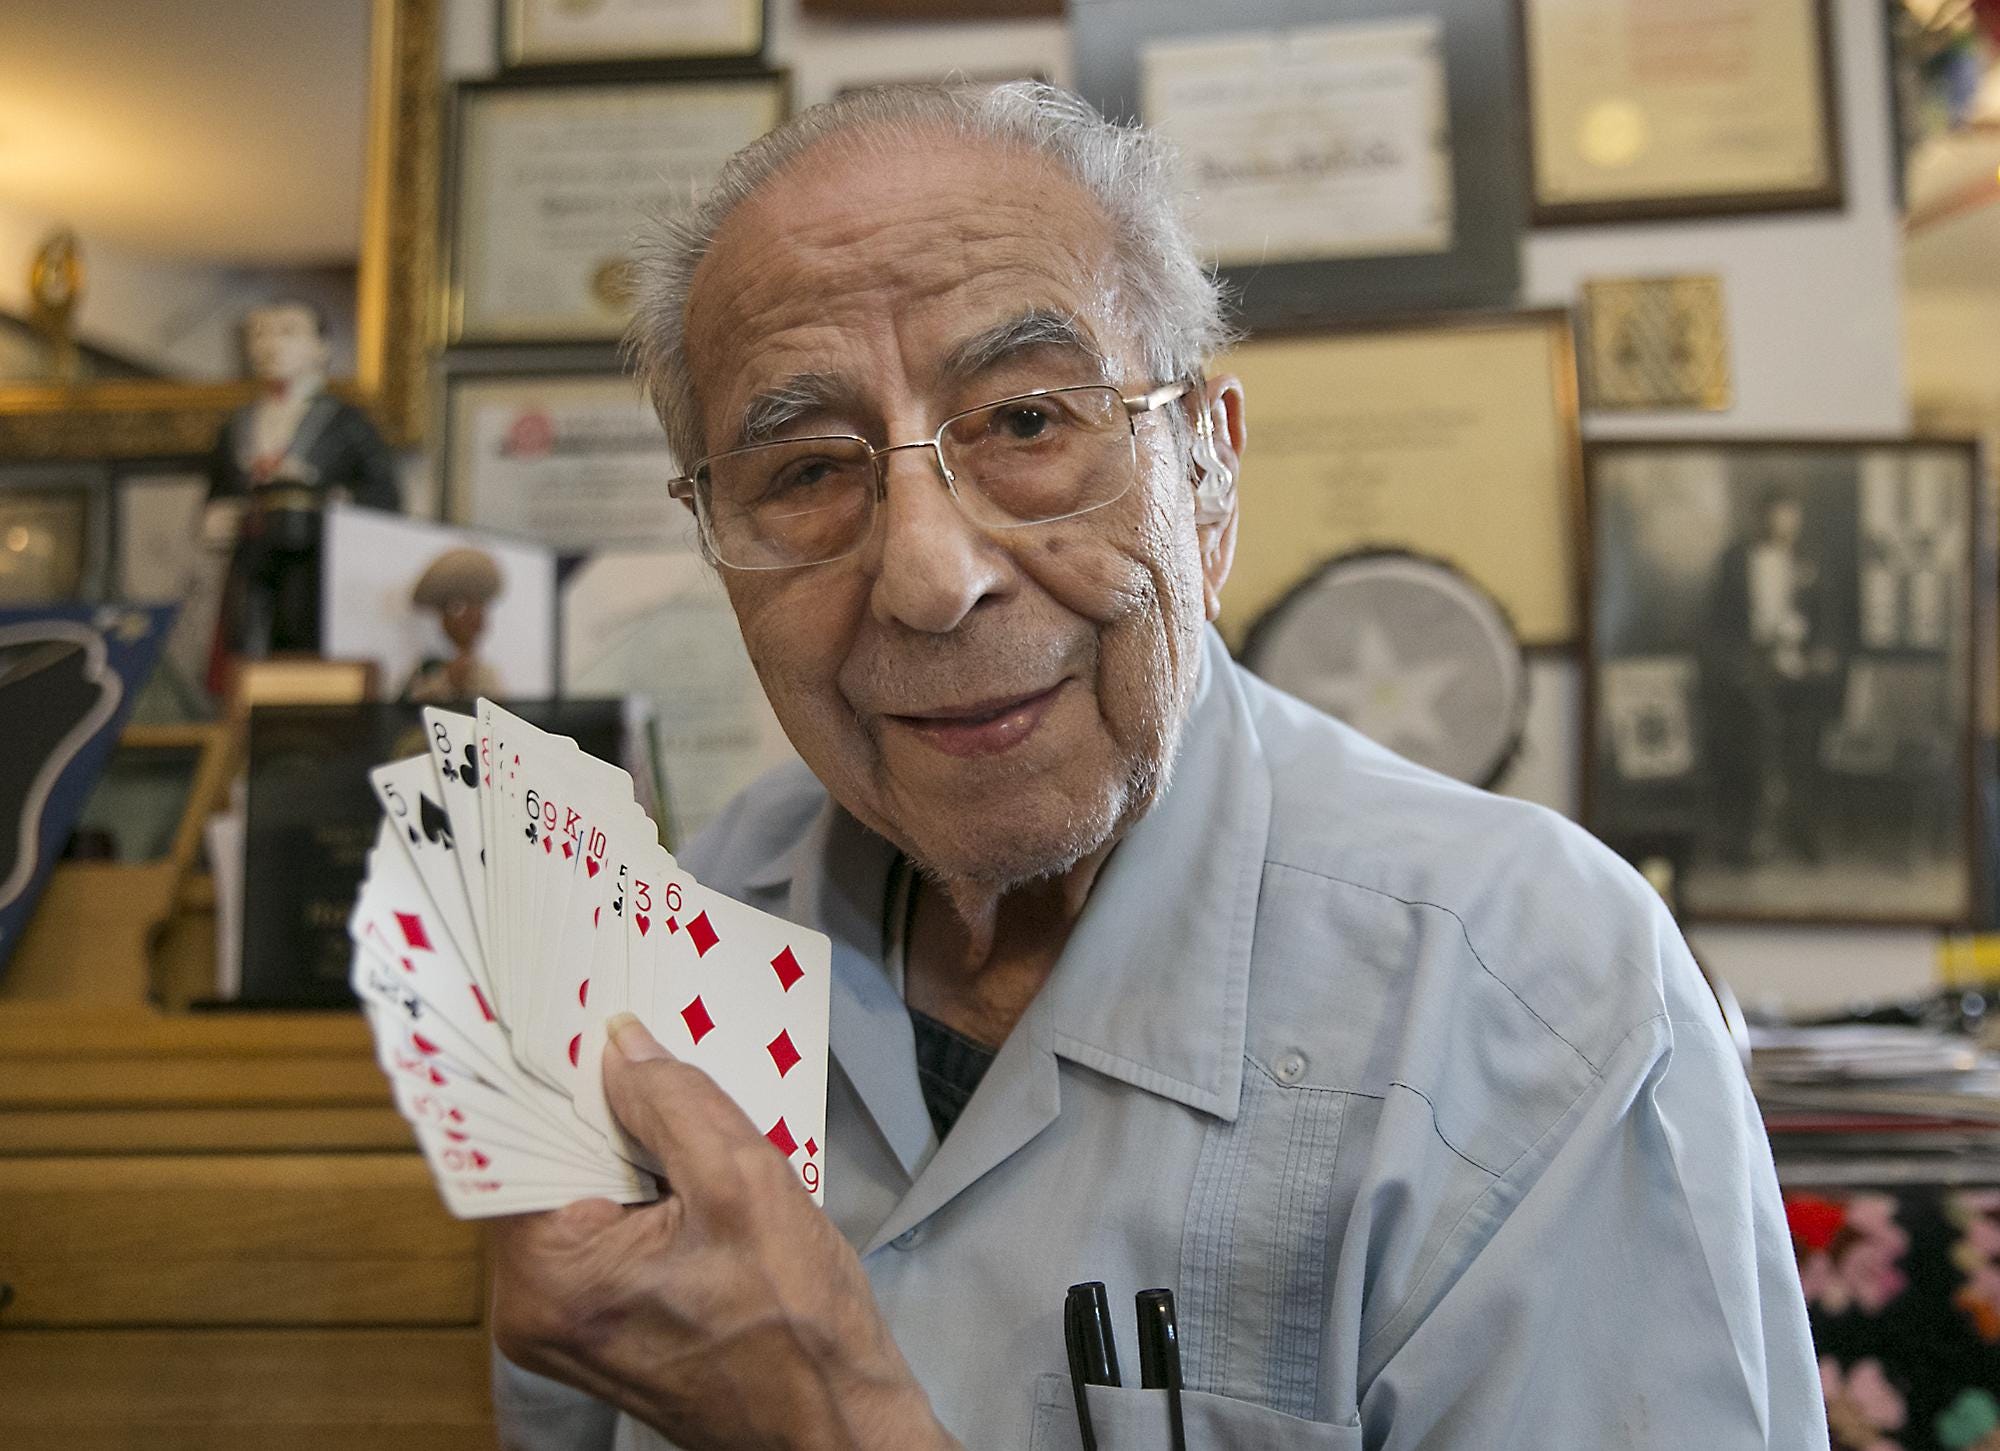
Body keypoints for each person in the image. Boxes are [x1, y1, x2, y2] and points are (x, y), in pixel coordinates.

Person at [489, 83, 1827, 1450]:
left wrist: (833, 1426)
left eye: (1024, 421)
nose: (929, 577)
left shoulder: (1528, 991)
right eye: (807, 469)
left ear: (1210, 472)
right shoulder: (679, 936)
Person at [204, 298, 399, 677]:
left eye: (289, 332)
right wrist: (217, 518)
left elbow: (384, 497)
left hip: (316, 571)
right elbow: (218, 492)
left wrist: (333, 504)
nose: (272, 344)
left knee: (305, 656)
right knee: (246, 651)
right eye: (261, 333)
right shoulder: (237, 426)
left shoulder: (346, 423)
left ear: (321, 347)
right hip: (251, 565)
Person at [1700, 485, 1843, 868]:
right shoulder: (1734, 560)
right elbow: (1717, 625)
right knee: (1751, 752)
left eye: (1789, 513)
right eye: (1774, 513)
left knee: (1804, 751)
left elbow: (1828, 621)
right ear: (1759, 516)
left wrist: (1821, 654)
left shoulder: (1812, 559)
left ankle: (1802, 832)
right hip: (1749, 675)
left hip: (1801, 675)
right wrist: (1737, 664)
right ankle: (1749, 838)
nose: (1782, 522)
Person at [403, 546, 507, 704]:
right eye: (458, 609)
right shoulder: (428, 669)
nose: (471, 620)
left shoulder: (487, 674)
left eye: (478, 609)